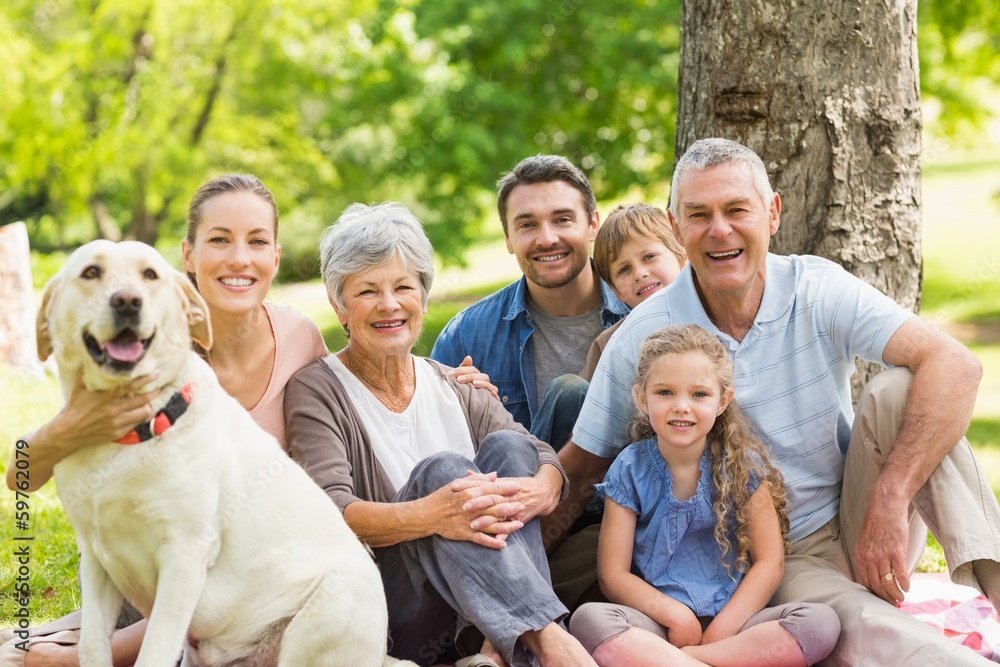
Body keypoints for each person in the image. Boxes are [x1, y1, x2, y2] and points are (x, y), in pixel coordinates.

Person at [551, 137, 1000, 666]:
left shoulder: (814, 287)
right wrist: (509, 609)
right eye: (698, 215)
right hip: (773, 558)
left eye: (736, 210)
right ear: (676, 227)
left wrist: (889, 500)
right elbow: (579, 473)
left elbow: (957, 365)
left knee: (906, 388)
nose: (719, 230)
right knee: (860, 631)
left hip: (862, 513)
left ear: (772, 213)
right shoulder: (645, 335)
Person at [3, 174, 328, 666]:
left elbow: (348, 391)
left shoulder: (300, 336)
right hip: (146, 581)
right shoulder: (133, 363)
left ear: (275, 256)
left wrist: (447, 375)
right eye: (219, 240)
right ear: (188, 256)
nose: (239, 257)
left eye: (257, 241)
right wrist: (74, 429)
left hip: (244, 583)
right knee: (13, 648)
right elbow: (20, 475)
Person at [284, 202, 597, 667]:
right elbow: (331, 512)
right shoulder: (316, 389)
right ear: (339, 306)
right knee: (443, 471)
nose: (389, 304)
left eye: (403, 287)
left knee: (510, 448)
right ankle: (549, 639)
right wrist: (432, 514)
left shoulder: (454, 384)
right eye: (367, 291)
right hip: (400, 611)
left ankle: (497, 648)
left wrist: (543, 488)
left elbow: (539, 453)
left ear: (423, 299)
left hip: (478, 613)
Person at [569, 324, 839, 667]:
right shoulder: (630, 468)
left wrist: (718, 633)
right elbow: (613, 575)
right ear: (641, 397)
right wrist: (676, 616)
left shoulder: (744, 466)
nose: (682, 406)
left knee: (818, 625)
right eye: (665, 392)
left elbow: (769, 563)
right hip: (658, 628)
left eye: (699, 394)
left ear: (723, 400)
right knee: (590, 621)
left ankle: (693, 660)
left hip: (735, 627)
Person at [431, 155, 628, 452]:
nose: (547, 239)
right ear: (508, 239)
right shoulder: (465, 338)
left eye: (562, 219)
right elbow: (437, 446)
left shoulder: (641, 313)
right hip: (524, 493)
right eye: (527, 225)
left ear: (592, 225)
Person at [580, 202, 687, 381]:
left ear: (681, 255)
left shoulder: (718, 317)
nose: (639, 274)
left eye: (649, 257)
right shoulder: (610, 345)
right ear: (614, 290)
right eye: (624, 269)